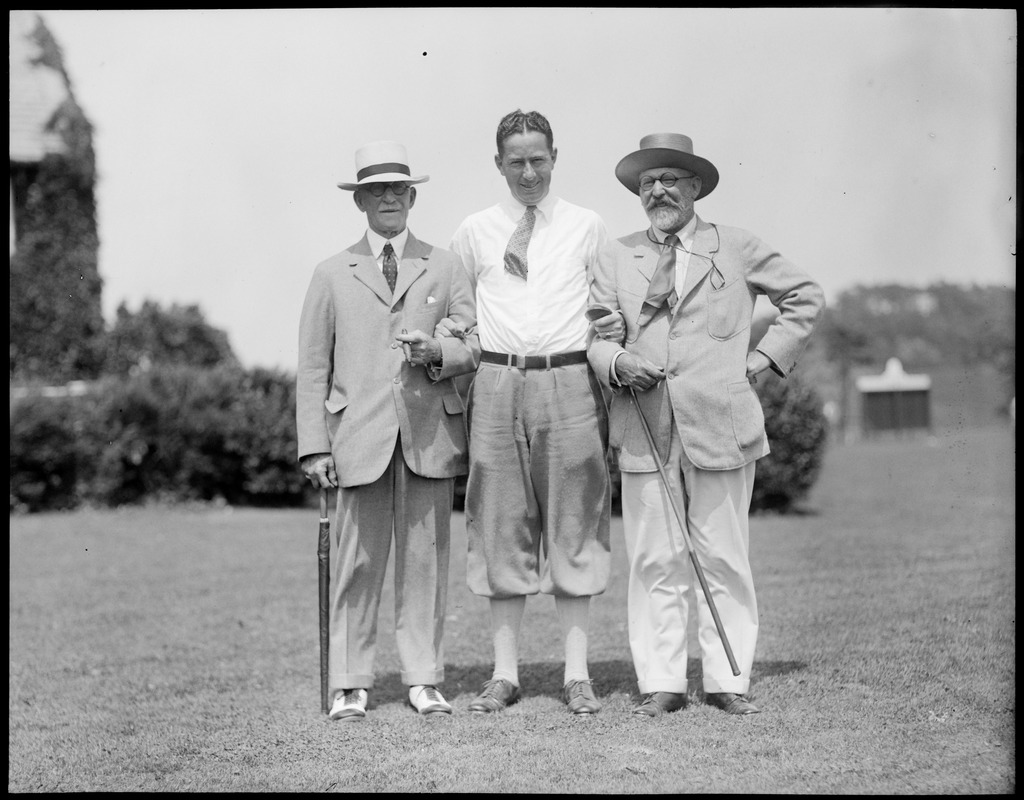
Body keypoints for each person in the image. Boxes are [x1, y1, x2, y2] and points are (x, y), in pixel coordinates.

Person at [588, 133, 825, 718]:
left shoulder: (736, 246)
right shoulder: (616, 254)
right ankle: (661, 681)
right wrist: (617, 362)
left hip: (722, 423)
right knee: (654, 560)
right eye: (647, 183)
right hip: (644, 422)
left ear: (695, 187)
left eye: (670, 179)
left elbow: (805, 295)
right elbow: (599, 334)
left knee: (723, 554)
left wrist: (765, 360)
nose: (658, 191)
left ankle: (729, 680)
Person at [444, 109, 623, 717]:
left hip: (569, 381)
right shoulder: (473, 231)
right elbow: (459, 317)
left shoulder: (587, 226)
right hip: (495, 384)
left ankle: (577, 675)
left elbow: (608, 311)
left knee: (575, 523)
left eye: (538, 160)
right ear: (499, 164)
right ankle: (504, 674)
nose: (528, 172)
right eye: (516, 161)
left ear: (554, 157)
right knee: (499, 527)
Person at [296, 140, 479, 721]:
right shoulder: (331, 273)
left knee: (425, 562)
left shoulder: (445, 264)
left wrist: (437, 352)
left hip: (428, 437)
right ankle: (350, 683)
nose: (388, 200)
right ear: (360, 202)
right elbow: (312, 369)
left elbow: (472, 343)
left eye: (397, 190)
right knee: (357, 562)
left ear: (413, 196)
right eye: (376, 191)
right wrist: (314, 446)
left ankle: (423, 678)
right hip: (358, 439)